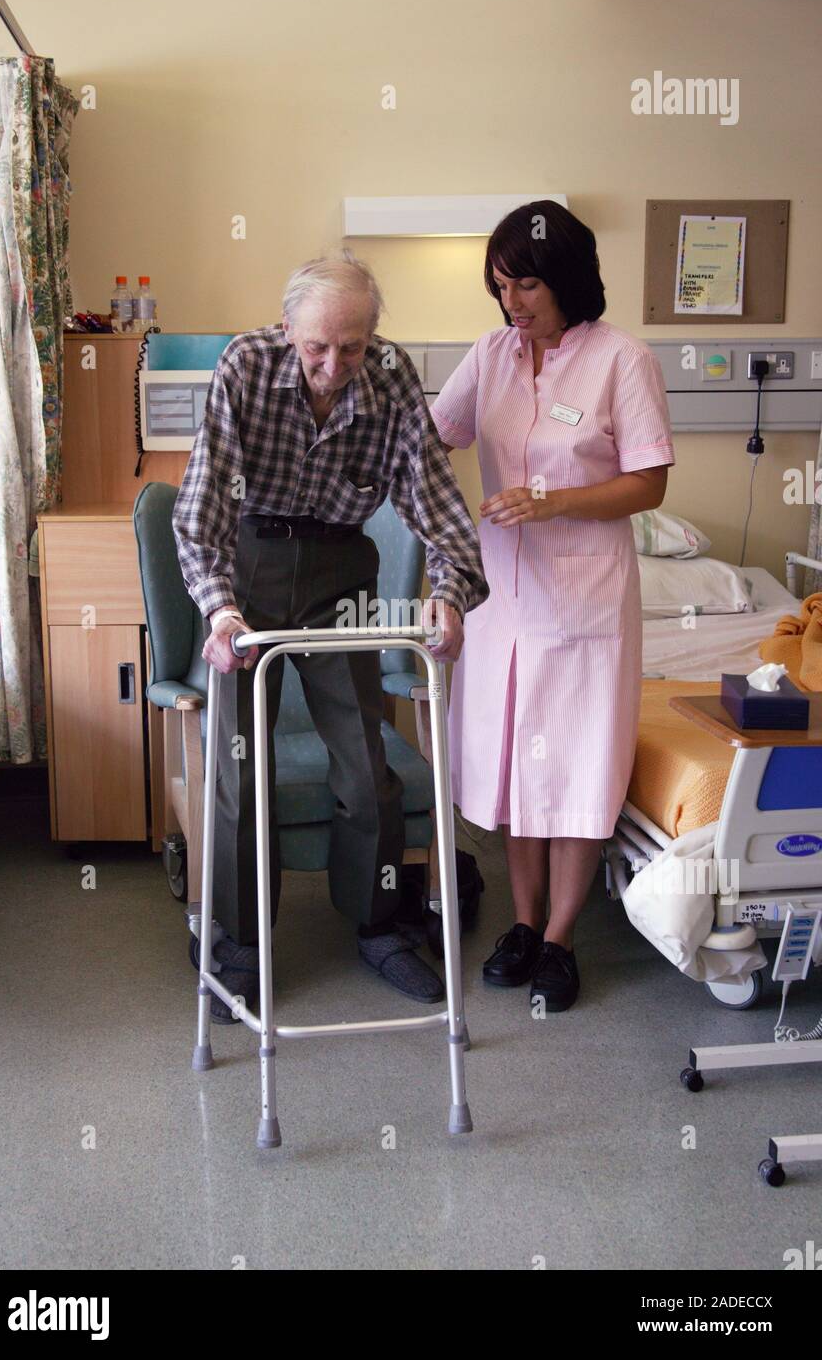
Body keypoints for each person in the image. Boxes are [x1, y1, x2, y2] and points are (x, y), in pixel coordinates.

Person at [173, 252, 487, 1021]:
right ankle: (240, 940)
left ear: (374, 335)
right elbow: (202, 502)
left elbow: (435, 499)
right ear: (288, 329)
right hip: (249, 567)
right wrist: (218, 610)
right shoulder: (245, 366)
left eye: (352, 346)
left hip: (340, 574)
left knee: (366, 764)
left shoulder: (390, 380)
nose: (333, 364)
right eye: (317, 346)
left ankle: (379, 925)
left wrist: (450, 592)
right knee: (239, 768)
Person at [430, 201, 674, 1013]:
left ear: (566, 278)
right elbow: (436, 436)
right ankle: (524, 923)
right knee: (510, 768)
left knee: (570, 767)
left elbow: (649, 482)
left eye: (526, 283)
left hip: (583, 603)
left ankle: (564, 939)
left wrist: (557, 501)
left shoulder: (621, 361)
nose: (512, 302)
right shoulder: (491, 356)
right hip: (502, 599)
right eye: (501, 285)